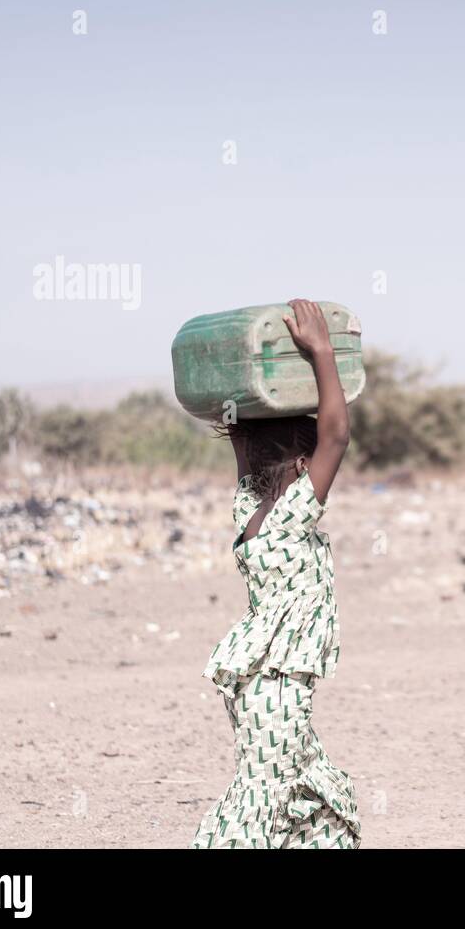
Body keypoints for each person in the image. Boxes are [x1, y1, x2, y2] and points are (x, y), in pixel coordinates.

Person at [191, 299, 360, 849]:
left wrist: (234, 387)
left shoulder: (249, 514)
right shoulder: (288, 519)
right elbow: (336, 436)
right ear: (304, 467)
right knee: (261, 796)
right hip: (279, 682)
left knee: (312, 790)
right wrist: (322, 352)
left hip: (259, 682)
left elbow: (244, 441)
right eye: (316, 462)